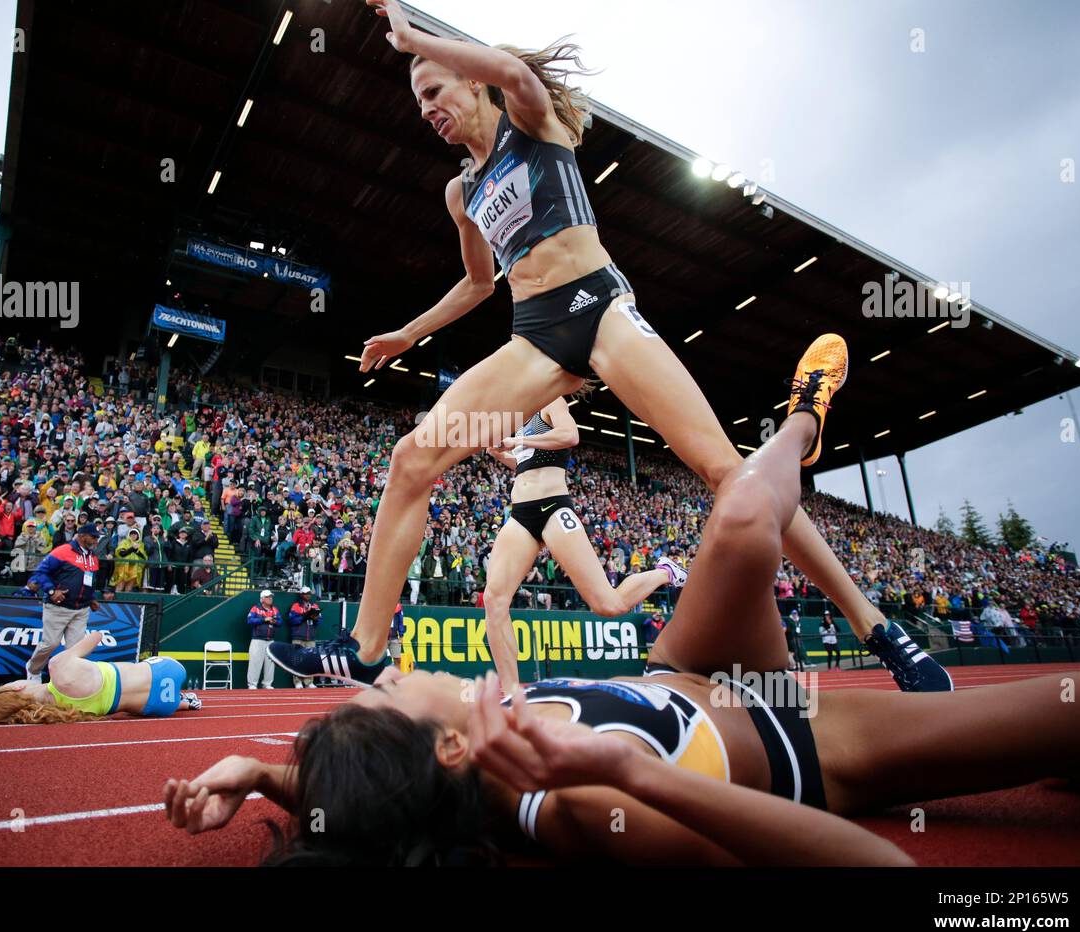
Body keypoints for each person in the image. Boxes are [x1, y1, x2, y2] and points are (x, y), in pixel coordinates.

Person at [165, 336, 1080, 865]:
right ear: (448, 744)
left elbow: (374, 797)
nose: (397, 670)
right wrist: (629, 778)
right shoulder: (575, 807)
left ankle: (804, 419)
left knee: (744, 514)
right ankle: (800, 424)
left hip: (692, 668)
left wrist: (255, 767)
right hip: (810, 740)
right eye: (383, 693)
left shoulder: (431, 774)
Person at [270, 1, 947, 694]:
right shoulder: (461, 190)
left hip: (600, 311)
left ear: (472, 83)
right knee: (411, 458)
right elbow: (478, 283)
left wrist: (414, 37)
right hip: (534, 336)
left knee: (728, 473)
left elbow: (508, 67)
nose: (425, 109)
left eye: (434, 90)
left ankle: (878, 628)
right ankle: (366, 647)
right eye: (418, 100)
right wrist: (410, 333)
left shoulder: (533, 121)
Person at [478, 394, 685, 692]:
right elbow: (525, 464)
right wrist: (501, 454)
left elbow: (570, 435)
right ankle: (512, 694)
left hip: (553, 508)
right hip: (521, 514)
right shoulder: (521, 418)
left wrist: (520, 442)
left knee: (608, 605)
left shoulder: (550, 400)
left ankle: (665, 571)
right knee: (494, 600)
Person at [0, 630, 200, 723]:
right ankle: (182, 698)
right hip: (168, 670)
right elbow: (96, 637)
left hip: (161, 708)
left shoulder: (61, 713)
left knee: (129, 711)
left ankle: (183, 702)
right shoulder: (58, 667)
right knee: (143, 668)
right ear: (18, 688)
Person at [23, 525, 102, 682]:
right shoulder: (63, 551)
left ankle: (68, 680)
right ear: (82, 536)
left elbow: (89, 581)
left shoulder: (93, 557)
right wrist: (51, 591)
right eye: (93, 537)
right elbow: (40, 572)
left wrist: (91, 597)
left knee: (76, 649)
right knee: (50, 644)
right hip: (58, 607)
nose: (96, 540)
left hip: (81, 609)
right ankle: (33, 668)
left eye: (96, 537)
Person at [246, 590, 282, 690]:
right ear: (262, 599)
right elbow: (250, 620)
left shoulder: (274, 609)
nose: (270, 598)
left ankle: (267, 684)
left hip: (270, 640)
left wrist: (274, 621)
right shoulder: (256, 608)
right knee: (255, 662)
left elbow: (280, 621)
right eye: (267, 597)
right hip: (258, 639)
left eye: (271, 597)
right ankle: (252, 684)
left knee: (270, 663)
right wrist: (264, 619)